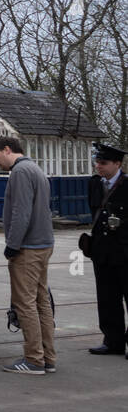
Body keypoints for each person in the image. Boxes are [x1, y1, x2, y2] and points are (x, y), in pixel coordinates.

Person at [0, 136, 56, 375]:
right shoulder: (35, 168)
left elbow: (21, 212)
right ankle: (47, 356)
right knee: (41, 301)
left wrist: (12, 245)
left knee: (24, 302)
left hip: (27, 247)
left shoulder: (19, 172)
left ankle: (33, 359)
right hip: (43, 243)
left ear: (7, 149)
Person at [83, 142, 128, 357]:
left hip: (125, 251)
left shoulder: (126, 185)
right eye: (97, 162)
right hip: (102, 251)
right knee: (107, 299)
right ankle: (113, 341)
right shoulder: (94, 184)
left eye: (104, 162)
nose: (98, 166)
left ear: (118, 163)